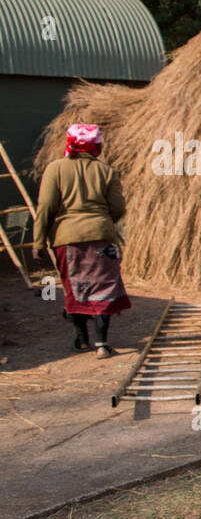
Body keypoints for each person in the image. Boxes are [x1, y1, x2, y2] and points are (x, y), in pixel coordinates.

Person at [32, 123, 131, 359]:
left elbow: (46, 207)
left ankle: (82, 340)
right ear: (96, 145)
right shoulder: (106, 171)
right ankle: (102, 344)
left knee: (74, 288)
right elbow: (118, 207)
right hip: (101, 237)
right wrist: (102, 222)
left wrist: (38, 242)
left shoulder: (55, 169)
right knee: (104, 287)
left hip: (67, 239)